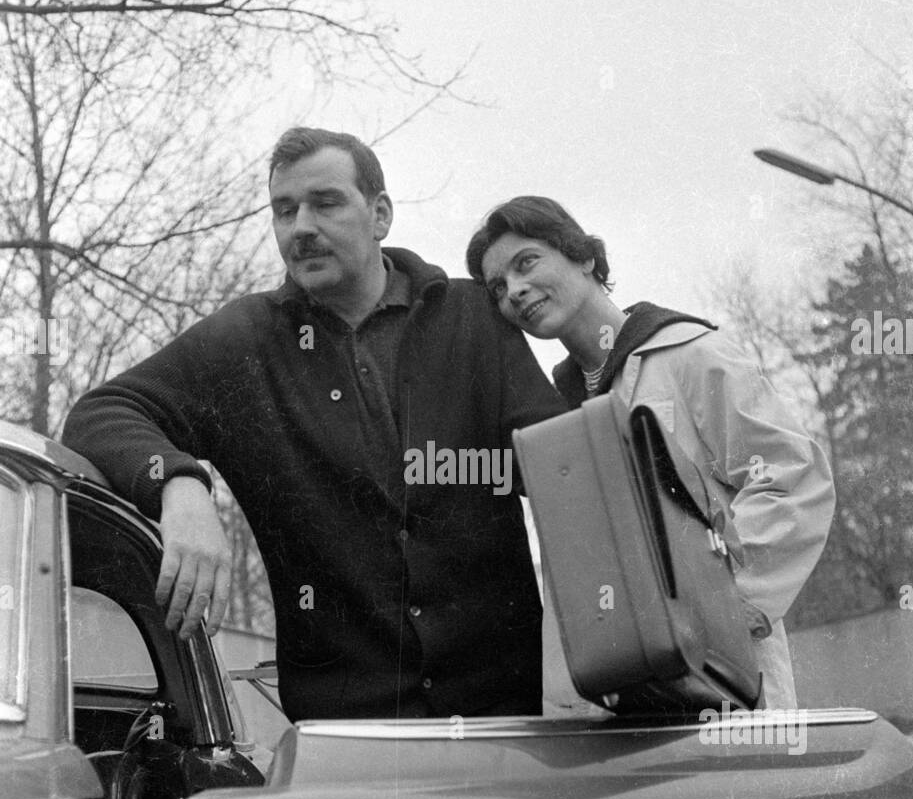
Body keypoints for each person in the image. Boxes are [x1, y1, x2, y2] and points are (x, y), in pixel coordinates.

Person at [62, 131, 567, 721]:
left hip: (501, 722)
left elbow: (564, 469)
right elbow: (102, 411)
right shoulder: (245, 342)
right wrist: (179, 486)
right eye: (284, 210)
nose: (301, 226)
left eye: (325, 203)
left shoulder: (473, 317)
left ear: (379, 215)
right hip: (342, 739)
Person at [465, 195, 836, 708]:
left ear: (582, 255)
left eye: (525, 263)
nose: (515, 292)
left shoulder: (688, 352)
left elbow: (792, 476)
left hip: (723, 685)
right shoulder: (552, 416)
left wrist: (728, 610)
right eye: (498, 288)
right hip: (614, 696)